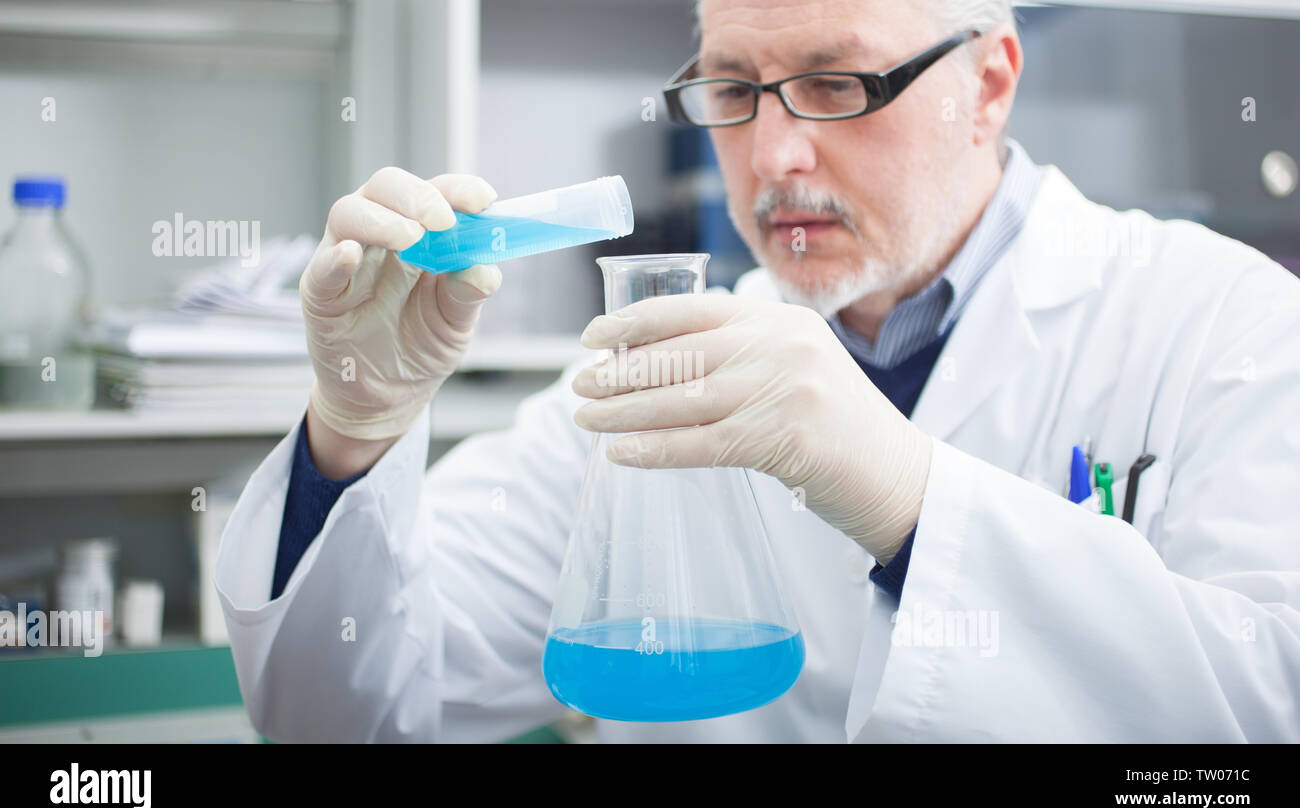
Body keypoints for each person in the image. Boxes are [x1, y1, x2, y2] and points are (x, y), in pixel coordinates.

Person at [215, 0, 1300, 742]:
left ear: (990, 84)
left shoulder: (1223, 324)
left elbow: (1259, 718)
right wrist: (353, 428)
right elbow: (345, 716)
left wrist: (913, 505)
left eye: (835, 85)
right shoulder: (662, 373)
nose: (773, 156)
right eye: (732, 89)